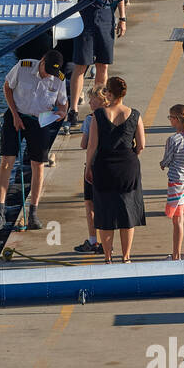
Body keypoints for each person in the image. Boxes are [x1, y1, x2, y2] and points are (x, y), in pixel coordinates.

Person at [0, 49, 68, 232]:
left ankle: (33, 212)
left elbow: (63, 104)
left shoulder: (59, 79)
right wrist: (14, 115)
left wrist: (61, 113)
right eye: (46, 69)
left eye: (51, 72)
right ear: (41, 60)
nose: (47, 74)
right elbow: (7, 87)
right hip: (16, 116)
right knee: (6, 162)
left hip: (39, 121)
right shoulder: (23, 66)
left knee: (39, 165)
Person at [66, 0, 127, 126]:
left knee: (103, 64)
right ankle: (73, 109)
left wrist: (123, 18)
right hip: (84, 13)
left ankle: (100, 106)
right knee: (81, 64)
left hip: (105, 12)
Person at [85, 76, 146, 262]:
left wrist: (89, 167)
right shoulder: (134, 114)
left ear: (109, 94)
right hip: (127, 166)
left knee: (105, 213)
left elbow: (92, 145)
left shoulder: (99, 115)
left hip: (104, 165)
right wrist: (130, 156)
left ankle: (108, 257)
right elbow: (141, 144)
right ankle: (126, 257)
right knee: (127, 212)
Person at [159, 104, 184, 261]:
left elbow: (167, 160)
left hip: (177, 183)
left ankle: (176, 257)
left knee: (178, 221)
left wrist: (162, 163)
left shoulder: (173, 139)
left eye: (170, 117)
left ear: (175, 119)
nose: (170, 120)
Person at [73, 86, 108, 254]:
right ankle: (108, 243)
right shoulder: (115, 116)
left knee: (90, 204)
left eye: (92, 99)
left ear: (102, 100)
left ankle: (93, 241)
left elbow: (84, 144)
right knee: (107, 204)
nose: (89, 102)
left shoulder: (90, 119)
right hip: (110, 165)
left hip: (93, 165)